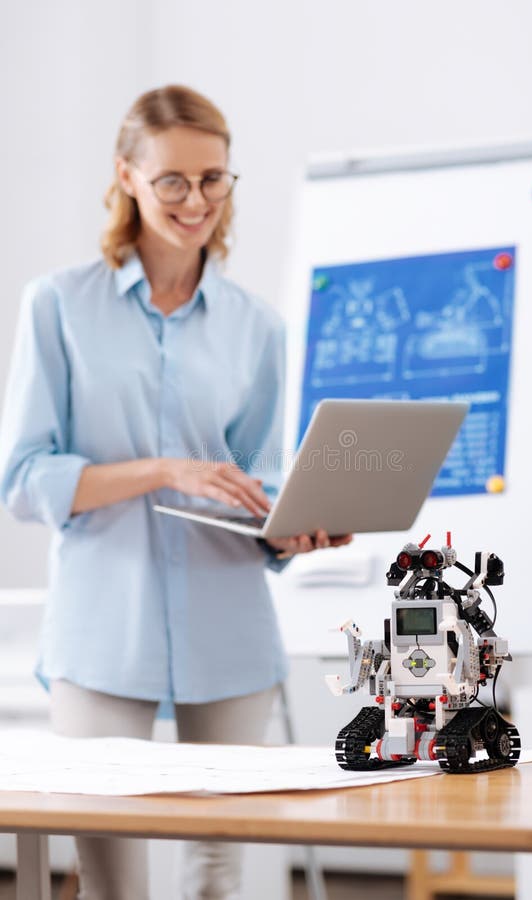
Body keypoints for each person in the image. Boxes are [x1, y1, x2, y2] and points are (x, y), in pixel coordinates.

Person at [0, 85, 352, 900]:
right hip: (102, 631)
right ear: (127, 176)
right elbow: (23, 477)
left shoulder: (255, 327)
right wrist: (164, 468)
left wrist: (291, 529)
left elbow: (251, 486)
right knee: (113, 877)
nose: (195, 201)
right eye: (172, 181)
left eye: (213, 179)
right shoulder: (59, 306)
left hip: (228, 630)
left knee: (217, 878)